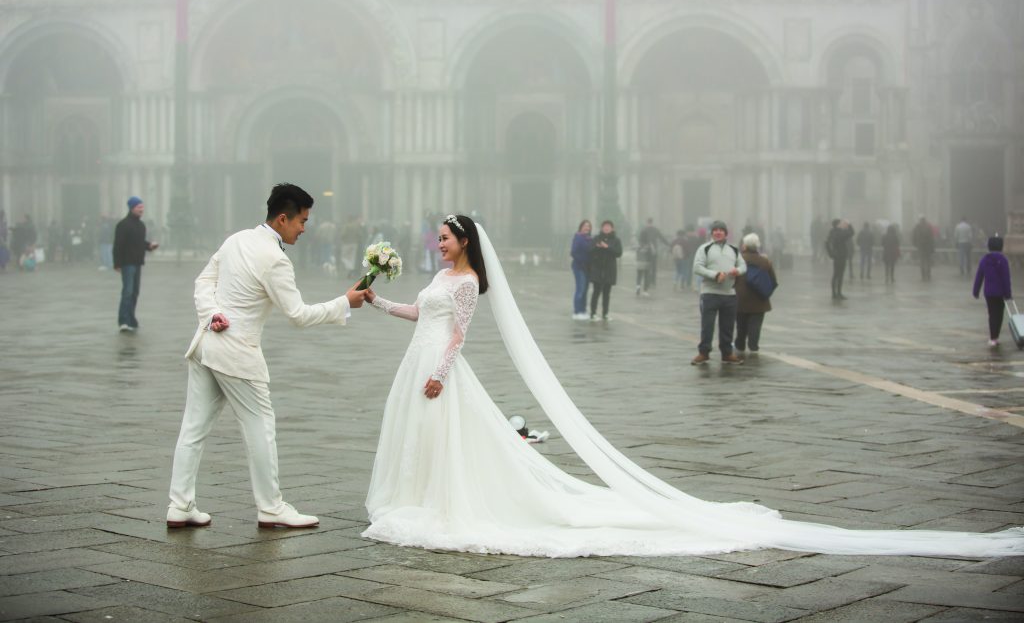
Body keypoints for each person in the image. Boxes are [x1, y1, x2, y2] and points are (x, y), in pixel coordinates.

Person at [359, 214, 1023, 558]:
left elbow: (458, 335)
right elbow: (421, 313)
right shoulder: (441, 276)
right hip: (420, 358)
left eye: (444, 238)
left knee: (451, 436)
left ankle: (443, 503)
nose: (437, 243)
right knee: (427, 438)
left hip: (439, 368)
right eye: (437, 238)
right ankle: (424, 496)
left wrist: (441, 373)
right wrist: (377, 302)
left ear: (464, 242)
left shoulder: (469, 281)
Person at [167, 183, 368, 530]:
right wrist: (344, 303)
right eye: (302, 221)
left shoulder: (236, 240)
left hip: (206, 344)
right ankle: (271, 507)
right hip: (237, 353)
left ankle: (179, 505)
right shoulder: (275, 260)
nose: (304, 229)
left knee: (193, 429)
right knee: (260, 428)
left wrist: (212, 312)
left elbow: (203, 282)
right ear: (282, 219)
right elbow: (298, 315)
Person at [691, 220, 746, 365]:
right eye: (715, 230)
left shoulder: (733, 249)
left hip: (729, 294)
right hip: (710, 293)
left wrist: (737, 271)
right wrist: (715, 275)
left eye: (721, 230)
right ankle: (704, 353)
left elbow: (743, 266)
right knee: (707, 325)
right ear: (711, 233)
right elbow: (697, 267)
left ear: (726, 233)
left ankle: (727, 353)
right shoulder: (704, 248)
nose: (718, 232)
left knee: (727, 327)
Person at [113, 197, 158, 332]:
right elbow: (118, 245)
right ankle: (123, 321)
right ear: (132, 208)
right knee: (127, 292)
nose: (141, 210)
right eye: (139, 207)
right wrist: (117, 263)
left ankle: (131, 320)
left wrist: (149, 246)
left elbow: (140, 243)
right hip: (127, 263)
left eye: (142, 207)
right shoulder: (123, 225)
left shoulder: (141, 225)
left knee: (134, 293)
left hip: (137, 263)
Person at [734, 233, 777, 357]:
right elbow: (773, 280)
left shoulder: (738, 260)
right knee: (756, 325)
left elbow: (732, 279)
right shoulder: (764, 261)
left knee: (741, 324)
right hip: (759, 299)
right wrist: (766, 292)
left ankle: (740, 344)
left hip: (740, 298)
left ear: (745, 246)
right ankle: (753, 346)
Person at [973, 236, 1013, 347]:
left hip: (989, 292)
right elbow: (1006, 278)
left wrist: (976, 291)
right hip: (1000, 293)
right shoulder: (1003, 260)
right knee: (999, 315)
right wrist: (1008, 293)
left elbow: (979, 276)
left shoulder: (984, 260)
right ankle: (996, 336)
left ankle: (992, 337)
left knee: (992, 314)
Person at [587, 220, 622, 321]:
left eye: (608, 226)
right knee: (596, 292)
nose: (606, 228)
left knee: (607, 293)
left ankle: (605, 314)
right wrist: (597, 247)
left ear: (612, 228)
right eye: (605, 226)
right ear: (602, 228)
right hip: (598, 269)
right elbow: (590, 251)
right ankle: (593, 313)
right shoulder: (596, 238)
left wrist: (607, 247)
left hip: (609, 270)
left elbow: (619, 253)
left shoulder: (616, 240)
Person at [637, 218, 670, 291]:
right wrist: (668, 244)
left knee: (647, 267)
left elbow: (640, 240)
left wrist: (641, 248)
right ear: (652, 222)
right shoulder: (655, 230)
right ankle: (653, 281)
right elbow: (662, 238)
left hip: (646, 251)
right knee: (653, 267)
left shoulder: (644, 230)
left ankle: (648, 281)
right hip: (653, 251)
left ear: (647, 222)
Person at [570, 220, 592, 320]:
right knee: (580, 289)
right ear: (581, 227)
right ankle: (577, 311)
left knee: (585, 290)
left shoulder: (589, 238)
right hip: (579, 267)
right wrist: (582, 261)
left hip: (587, 268)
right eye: (585, 226)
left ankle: (583, 310)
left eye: (589, 226)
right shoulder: (578, 237)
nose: (587, 228)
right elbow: (573, 252)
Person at [825, 219, 852, 300]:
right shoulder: (840, 232)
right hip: (841, 256)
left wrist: (831, 254)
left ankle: (834, 293)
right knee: (840, 275)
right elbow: (851, 232)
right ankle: (839, 293)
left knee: (835, 275)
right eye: (840, 223)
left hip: (836, 256)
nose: (841, 224)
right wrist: (848, 224)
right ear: (837, 225)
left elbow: (827, 243)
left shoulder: (832, 232)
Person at [912, 216, 935, 281]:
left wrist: (915, 244)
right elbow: (931, 238)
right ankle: (928, 275)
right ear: (925, 220)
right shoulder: (928, 227)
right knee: (928, 261)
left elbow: (914, 236)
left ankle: (923, 275)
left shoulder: (917, 227)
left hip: (921, 247)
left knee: (922, 261)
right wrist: (932, 247)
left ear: (920, 220)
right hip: (928, 247)